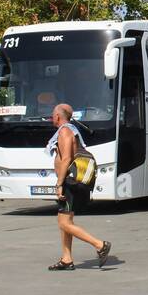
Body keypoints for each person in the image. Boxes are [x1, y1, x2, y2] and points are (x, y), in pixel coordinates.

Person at [47, 103, 111, 271]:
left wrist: (59, 183)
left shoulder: (65, 131)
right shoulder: (68, 130)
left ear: (58, 116)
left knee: (64, 223)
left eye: (53, 114)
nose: (51, 117)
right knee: (66, 220)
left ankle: (99, 244)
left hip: (69, 181)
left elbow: (66, 158)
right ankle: (66, 259)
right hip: (70, 181)